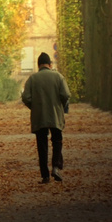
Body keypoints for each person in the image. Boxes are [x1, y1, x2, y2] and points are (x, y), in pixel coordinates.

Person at [21, 52, 71, 184]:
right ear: (50, 64)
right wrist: (61, 106)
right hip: (55, 114)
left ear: (38, 65)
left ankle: (45, 176)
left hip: (39, 116)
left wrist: (34, 106)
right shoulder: (58, 77)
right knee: (57, 140)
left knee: (42, 144)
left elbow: (26, 97)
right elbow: (66, 95)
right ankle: (56, 167)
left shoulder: (33, 79)